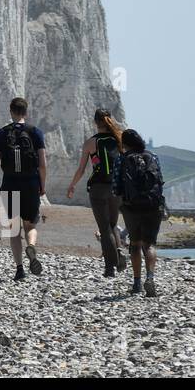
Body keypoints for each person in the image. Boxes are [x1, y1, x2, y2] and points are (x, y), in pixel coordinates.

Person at [0, 97, 48, 281]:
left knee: (14, 230)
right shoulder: (35, 132)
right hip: (30, 183)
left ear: (11, 111)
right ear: (26, 112)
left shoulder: (1, 133)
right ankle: (31, 245)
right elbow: (43, 164)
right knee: (30, 225)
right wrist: (42, 187)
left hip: (10, 183)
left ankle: (19, 269)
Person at [67, 108, 126, 278]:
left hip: (98, 188)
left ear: (95, 122)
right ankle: (119, 250)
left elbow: (81, 169)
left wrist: (72, 185)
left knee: (104, 228)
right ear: (110, 120)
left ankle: (109, 268)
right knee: (113, 225)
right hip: (116, 188)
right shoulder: (120, 138)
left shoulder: (90, 143)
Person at [114, 129, 165, 297]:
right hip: (153, 205)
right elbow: (160, 181)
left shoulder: (122, 159)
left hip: (131, 207)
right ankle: (150, 278)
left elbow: (116, 185)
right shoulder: (153, 156)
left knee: (135, 244)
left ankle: (137, 284)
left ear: (125, 143)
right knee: (149, 244)